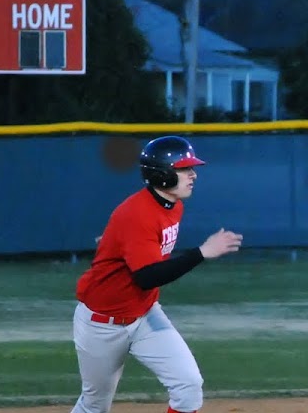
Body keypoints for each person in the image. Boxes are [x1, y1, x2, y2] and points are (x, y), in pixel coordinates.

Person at [71, 135, 242, 413]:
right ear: (162, 175)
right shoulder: (137, 213)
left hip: (146, 315)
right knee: (94, 406)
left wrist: (117, 241)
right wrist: (202, 252)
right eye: (184, 169)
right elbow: (147, 277)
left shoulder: (173, 206)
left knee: (188, 385)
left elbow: (145, 249)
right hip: (102, 324)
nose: (193, 175)